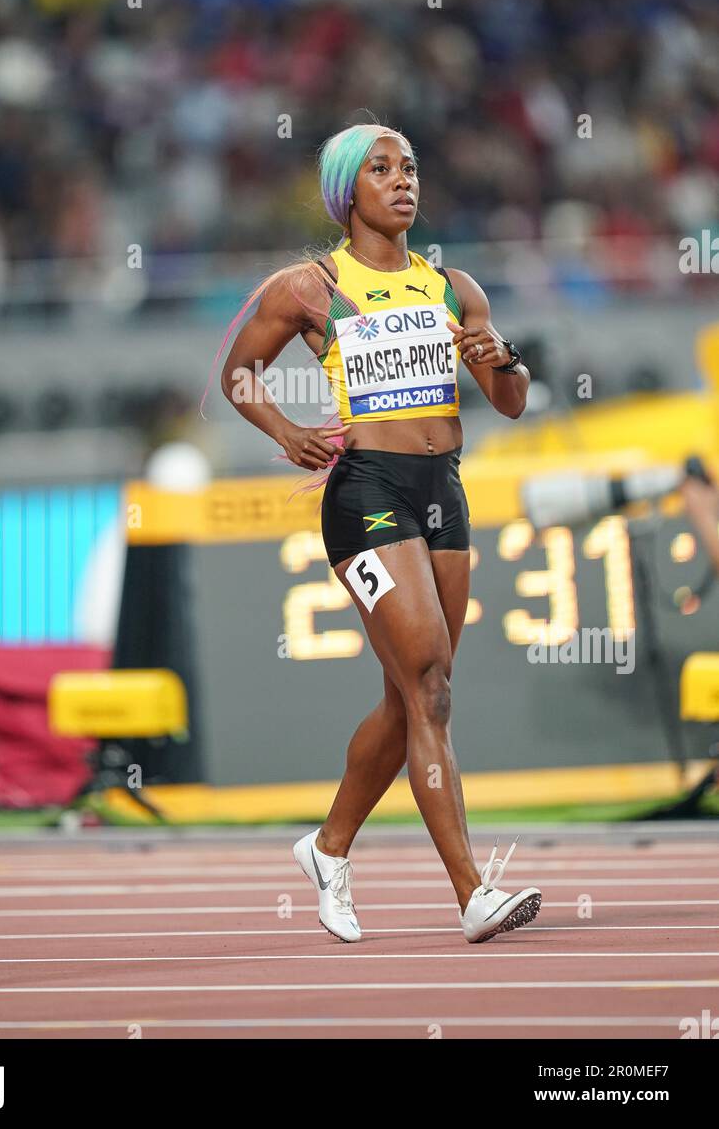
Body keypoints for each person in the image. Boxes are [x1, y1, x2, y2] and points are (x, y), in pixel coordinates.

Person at [215, 121, 541, 944]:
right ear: (346, 191)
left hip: (446, 492)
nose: (404, 182)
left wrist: (501, 355)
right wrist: (285, 433)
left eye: (411, 168)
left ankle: (329, 848)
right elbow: (236, 373)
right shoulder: (311, 286)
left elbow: (510, 400)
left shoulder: (453, 286)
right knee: (430, 683)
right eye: (383, 170)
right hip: (367, 494)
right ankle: (472, 894)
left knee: (412, 699)